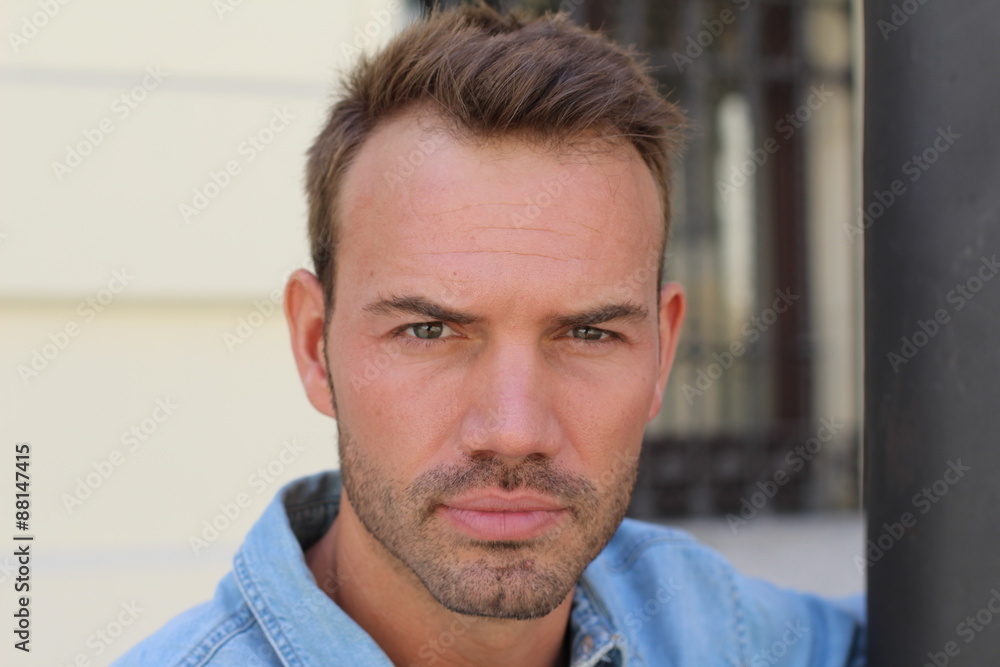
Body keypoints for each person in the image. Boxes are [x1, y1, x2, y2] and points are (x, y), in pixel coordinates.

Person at [114, 3, 866, 665]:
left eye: (590, 334)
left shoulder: (700, 622)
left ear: (663, 351)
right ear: (316, 345)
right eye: (430, 329)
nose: (513, 431)